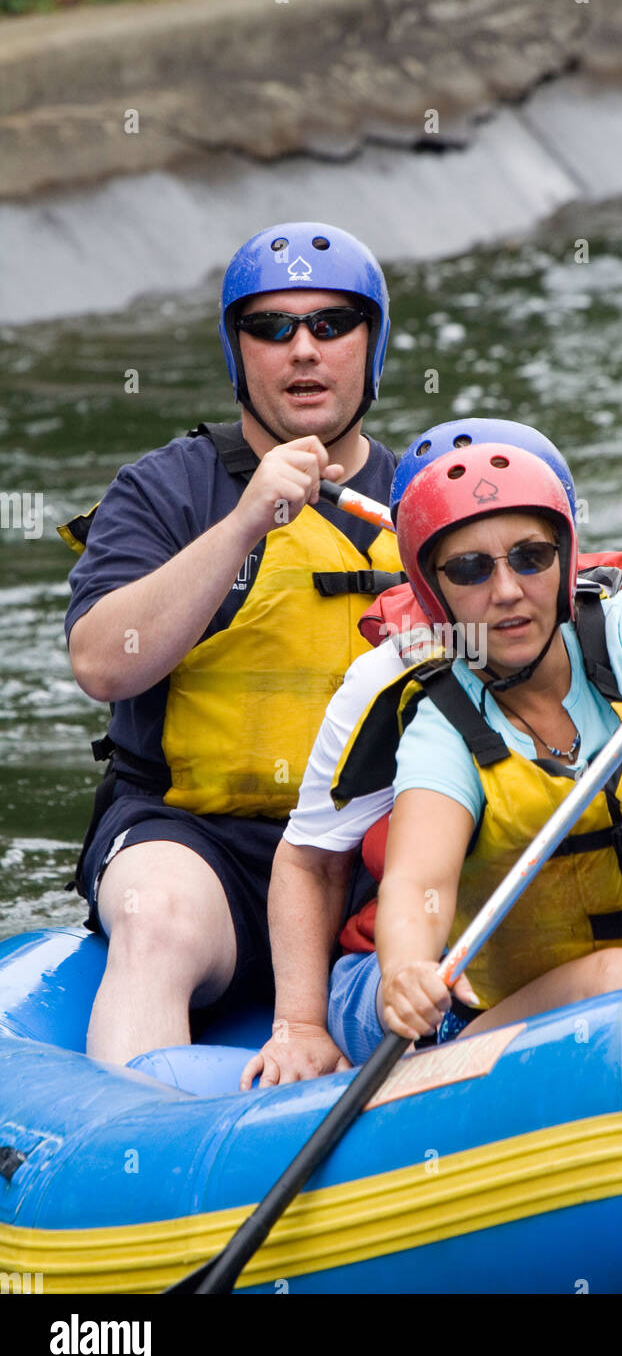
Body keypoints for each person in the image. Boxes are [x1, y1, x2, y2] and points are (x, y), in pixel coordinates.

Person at [241, 419, 622, 1085]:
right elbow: (416, 883)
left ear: (566, 562)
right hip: (543, 1008)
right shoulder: (437, 721)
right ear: (434, 591)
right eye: (471, 570)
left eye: (532, 558)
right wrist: (405, 972)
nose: (508, 590)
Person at [60, 221, 405, 1064]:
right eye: (271, 327)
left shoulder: (429, 495)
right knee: (155, 919)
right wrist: (248, 522)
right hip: (198, 841)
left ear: (371, 343)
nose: (303, 351)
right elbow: (102, 661)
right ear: (237, 348)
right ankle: (135, 1164)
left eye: (331, 324)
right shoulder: (165, 489)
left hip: (373, 847)